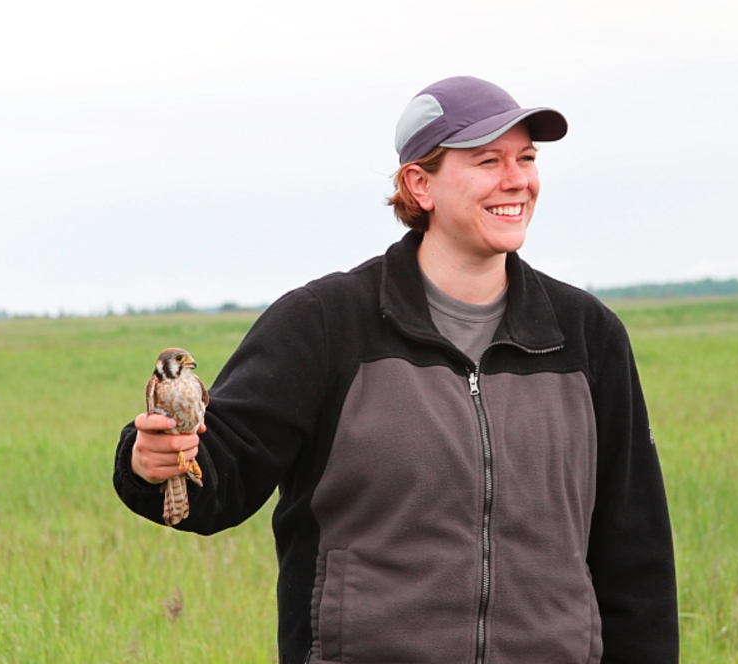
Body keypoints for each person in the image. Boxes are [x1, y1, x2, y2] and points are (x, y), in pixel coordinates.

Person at [114, 76, 678, 663]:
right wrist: (149, 460)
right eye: (489, 160)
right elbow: (221, 476)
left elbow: (635, 555)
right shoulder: (325, 325)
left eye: (527, 158)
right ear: (419, 183)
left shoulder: (586, 335)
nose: (518, 180)